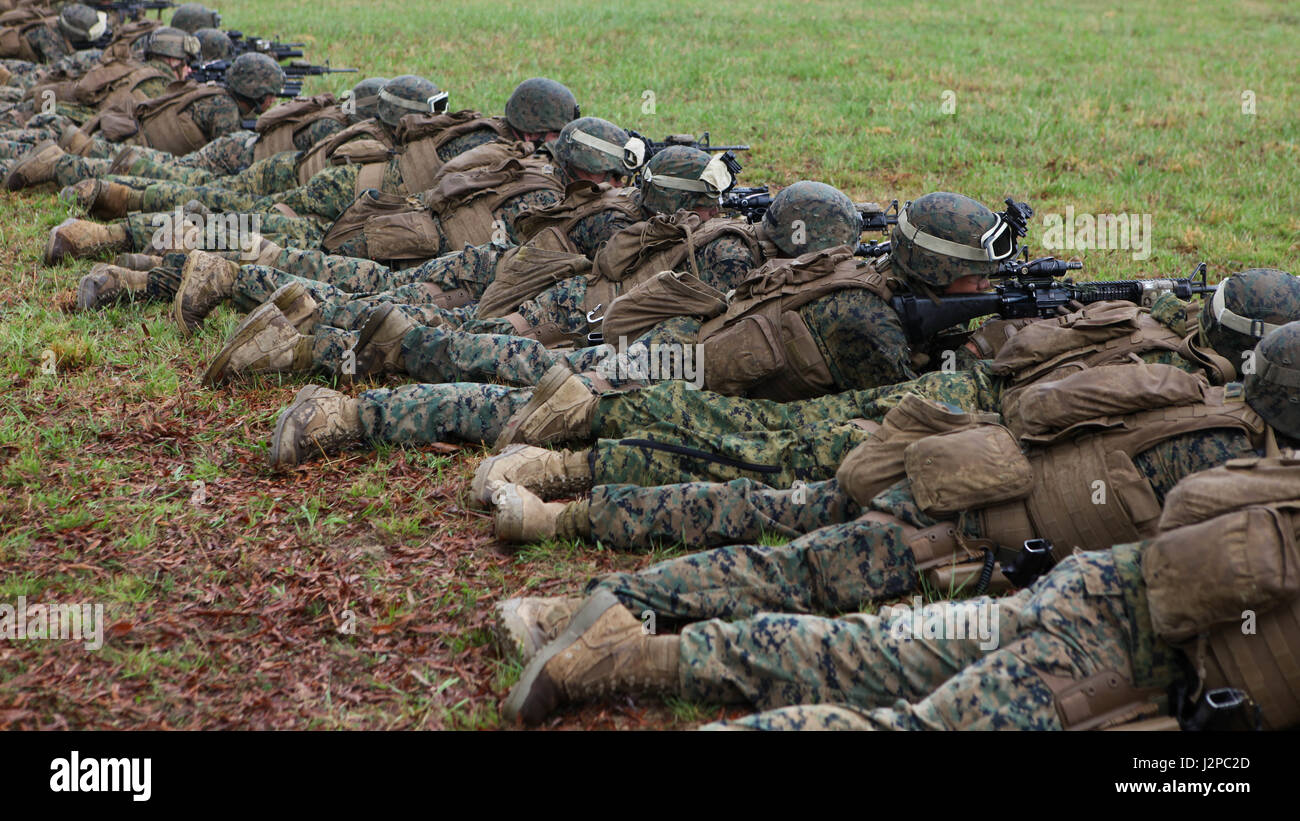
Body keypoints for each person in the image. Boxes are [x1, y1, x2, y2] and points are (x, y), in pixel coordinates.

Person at [498, 321, 1300, 728]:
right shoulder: (1237, 464)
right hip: (982, 551)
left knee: (841, 615)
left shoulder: (1198, 403)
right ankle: (585, 593)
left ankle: (603, 635)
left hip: (993, 519)